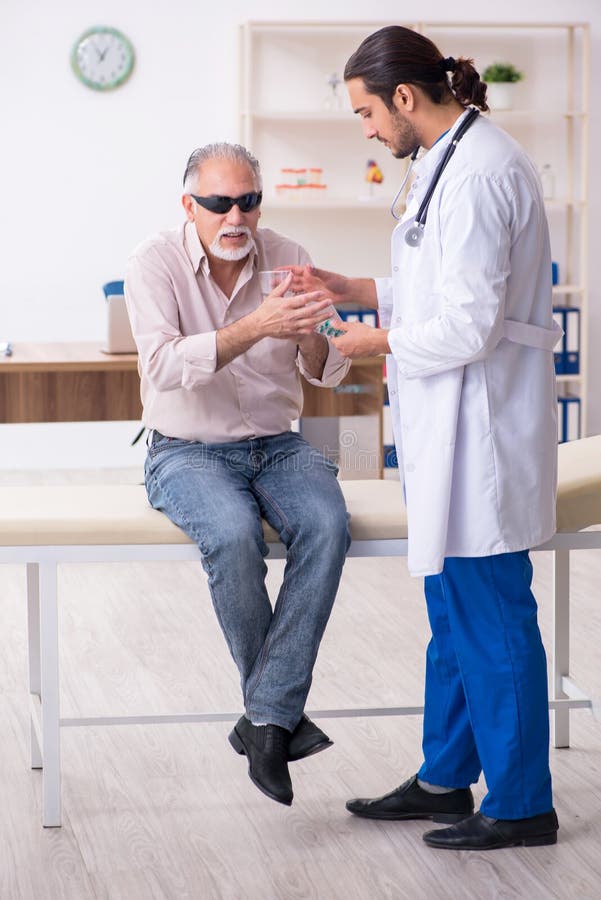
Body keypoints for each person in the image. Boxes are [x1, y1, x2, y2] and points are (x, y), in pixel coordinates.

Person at [289, 26, 561, 850]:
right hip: (447, 427)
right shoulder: (446, 158)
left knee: (489, 615)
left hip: (481, 434)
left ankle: (521, 805)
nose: (367, 129)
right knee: (452, 611)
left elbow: (469, 325)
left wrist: (372, 341)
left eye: (367, 113)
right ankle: (445, 776)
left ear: (403, 97)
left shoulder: (478, 172)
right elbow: (434, 281)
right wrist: (354, 286)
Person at [124, 142, 352, 807]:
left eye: (248, 201)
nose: (236, 218)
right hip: (185, 449)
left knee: (328, 525)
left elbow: (332, 368)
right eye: (219, 203)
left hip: (278, 444)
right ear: (188, 205)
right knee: (230, 534)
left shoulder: (289, 255)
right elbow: (162, 367)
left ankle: (263, 720)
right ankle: (277, 718)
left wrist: (308, 335)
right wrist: (256, 326)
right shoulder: (153, 262)